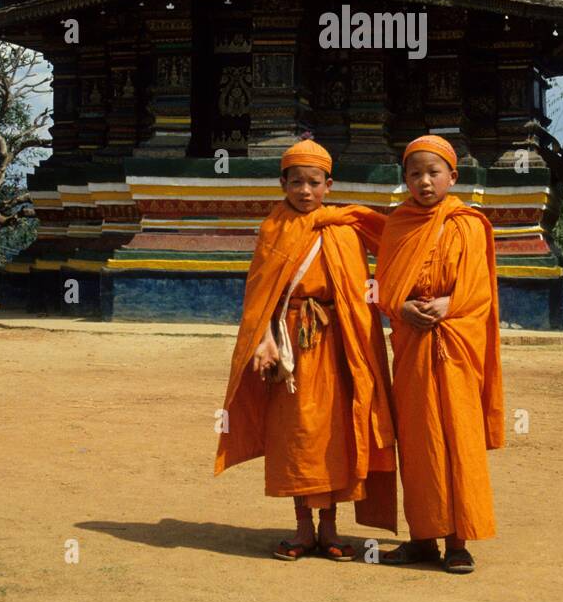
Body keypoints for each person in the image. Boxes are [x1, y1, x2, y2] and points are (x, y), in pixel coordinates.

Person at [215, 139, 397, 560]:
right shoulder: (272, 230)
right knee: (295, 434)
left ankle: (330, 529)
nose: (304, 191)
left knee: (335, 433)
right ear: (282, 182)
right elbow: (260, 296)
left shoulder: (344, 229)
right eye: (295, 182)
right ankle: (301, 529)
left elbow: (372, 280)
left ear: (328, 185)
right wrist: (264, 342)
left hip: (339, 345)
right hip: (290, 345)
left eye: (313, 182)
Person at [374, 135, 504, 574]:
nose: (424, 182)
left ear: (454, 176)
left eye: (433, 173)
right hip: (412, 346)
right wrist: (403, 306)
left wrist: (451, 305)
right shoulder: (397, 224)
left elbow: (480, 291)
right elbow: (386, 286)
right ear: (405, 179)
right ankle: (423, 538)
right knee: (418, 440)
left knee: (457, 438)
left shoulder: (467, 223)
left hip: (455, 346)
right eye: (415, 173)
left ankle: (458, 541)